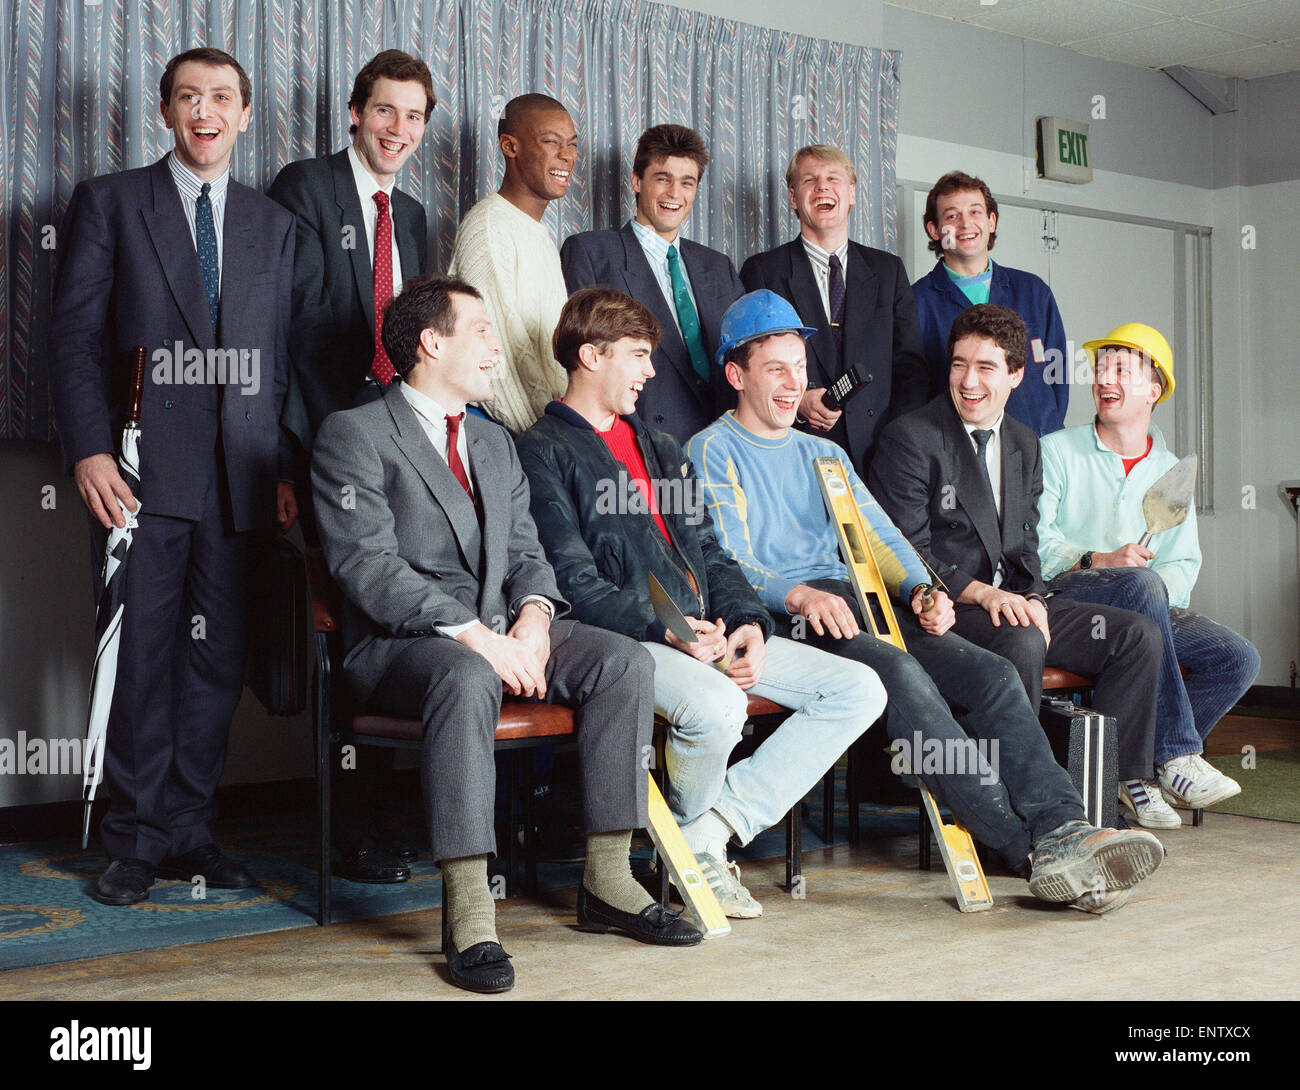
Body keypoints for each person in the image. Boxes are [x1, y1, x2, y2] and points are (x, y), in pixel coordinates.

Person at [687, 291, 1165, 913]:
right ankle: (1030, 851)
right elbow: (732, 561)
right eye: (775, 368)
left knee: (992, 673)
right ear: (736, 374)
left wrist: (922, 589)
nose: (793, 383)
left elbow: (879, 536)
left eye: (800, 368)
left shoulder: (824, 452)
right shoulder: (711, 450)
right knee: (904, 677)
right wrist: (798, 593)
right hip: (786, 620)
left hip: (858, 606)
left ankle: (1066, 828)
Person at [311, 274, 700, 993]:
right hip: (407, 646)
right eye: (482, 331)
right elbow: (367, 569)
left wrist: (535, 617)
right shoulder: (353, 434)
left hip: (505, 632)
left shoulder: (492, 442)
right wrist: (479, 639)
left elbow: (528, 555)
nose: (499, 347)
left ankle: (608, 882)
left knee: (621, 662)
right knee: (465, 676)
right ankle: (468, 913)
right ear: (432, 343)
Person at [516, 287, 884, 917]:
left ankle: (706, 833)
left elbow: (715, 554)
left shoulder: (661, 449)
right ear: (590, 357)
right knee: (719, 704)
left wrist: (747, 625)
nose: (652, 372)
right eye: (638, 355)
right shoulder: (541, 450)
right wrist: (670, 628)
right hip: (628, 643)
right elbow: (571, 582)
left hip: (705, 634)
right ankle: (701, 857)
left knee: (861, 690)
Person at [49, 48, 295, 905]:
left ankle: (191, 833)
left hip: (244, 481)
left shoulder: (274, 223)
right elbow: (74, 339)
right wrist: (85, 450)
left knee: (217, 664)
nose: (206, 112)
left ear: (244, 114)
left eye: (222, 97)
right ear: (165, 112)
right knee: (145, 657)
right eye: (189, 97)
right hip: (139, 473)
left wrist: (286, 470)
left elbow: (282, 360)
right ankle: (137, 839)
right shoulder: (112, 203)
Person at [868, 304, 1167, 825]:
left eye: (985, 367)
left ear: (1015, 375)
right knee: (1022, 638)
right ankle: (1013, 810)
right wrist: (986, 595)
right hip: (945, 607)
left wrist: (1032, 598)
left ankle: (1104, 794)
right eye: (960, 364)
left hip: (1016, 601)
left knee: (1136, 636)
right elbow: (904, 549)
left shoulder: (1025, 443)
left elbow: (1026, 548)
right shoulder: (911, 438)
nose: (968, 380)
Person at [268, 49, 436, 884]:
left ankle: (383, 818)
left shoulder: (416, 218)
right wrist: (285, 465)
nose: (397, 130)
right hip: (321, 450)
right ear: (355, 113)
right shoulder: (305, 188)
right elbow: (275, 337)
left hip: (397, 452)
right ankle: (348, 831)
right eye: (384, 112)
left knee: (393, 621)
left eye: (412, 117)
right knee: (343, 633)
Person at [1038, 322, 1258, 821]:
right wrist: (1099, 558)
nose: (1103, 378)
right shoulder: (1056, 450)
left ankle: (1148, 768)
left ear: (1153, 390)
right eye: (1099, 368)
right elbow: (1035, 544)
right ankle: (1172, 757)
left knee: (1238, 658)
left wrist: (1157, 597)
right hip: (1070, 600)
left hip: (1144, 609)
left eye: (1121, 369)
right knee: (1140, 581)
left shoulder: (1171, 471)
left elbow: (1183, 562)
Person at [740, 144, 929, 476]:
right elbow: (749, 367)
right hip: (796, 453)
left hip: (882, 459)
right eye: (810, 180)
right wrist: (796, 403)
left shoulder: (889, 271)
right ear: (794, 198)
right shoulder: (763, 271)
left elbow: (910, 369)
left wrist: (897, 442)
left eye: (833, 178)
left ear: (852, 193)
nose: (822, 187)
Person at [560, 124, 744, 440]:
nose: (675, 194)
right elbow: (581, 364)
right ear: (637, 181)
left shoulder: (718, 267)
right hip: (639, 444)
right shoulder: (592, 253)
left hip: (722, 444)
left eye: (687, 183)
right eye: (663, 179)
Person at [448, 93, 576, 433]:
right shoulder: (489, 228)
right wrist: (548, 440)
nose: (566, 156)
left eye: (572, 145)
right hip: (511, 436)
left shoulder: (538, 232)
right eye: (551, 142)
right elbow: (496, 366)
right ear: (510, 146)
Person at [911, 171, 1069, 436]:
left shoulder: (1033, 291)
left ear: (991, 221)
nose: (965, 224)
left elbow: (1058, 374)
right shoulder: (915, 301)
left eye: (975, 212)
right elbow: (914, 392)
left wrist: (1047, 427)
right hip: (958, 451)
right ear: (934, 230)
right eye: (952, 216)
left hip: (1037, 445)